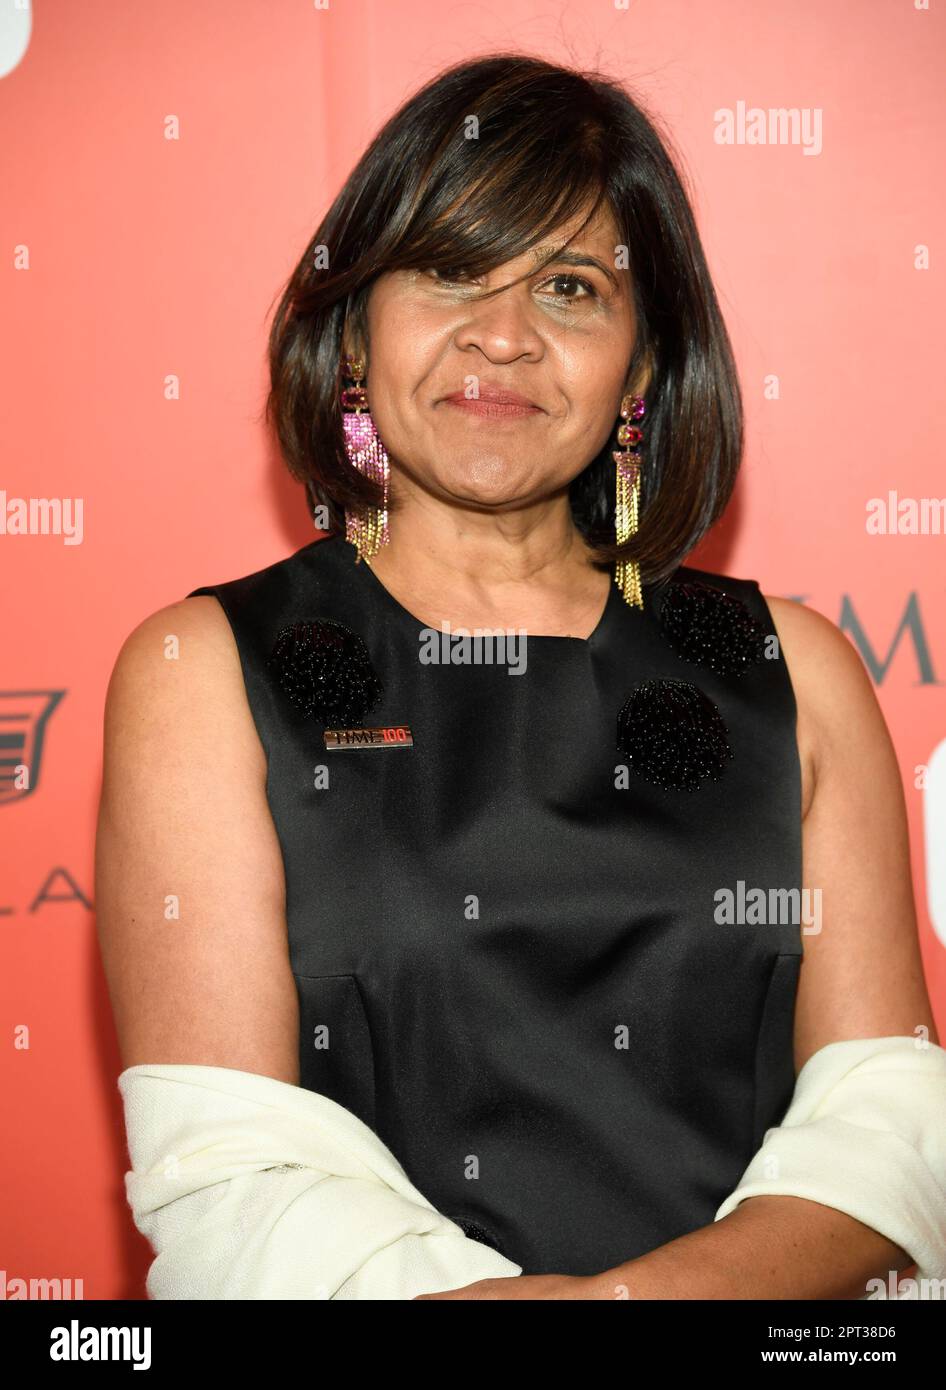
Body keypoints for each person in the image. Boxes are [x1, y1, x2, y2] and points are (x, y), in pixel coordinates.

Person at [96, 54, 945, 1300]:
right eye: (448, 269)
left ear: (643, 361)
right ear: (355, 327)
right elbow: (233, 1167)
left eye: (569, 286)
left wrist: (637, 1306)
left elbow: (887, 1119)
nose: (504, 334)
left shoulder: (795, 675)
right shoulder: (207, 673)